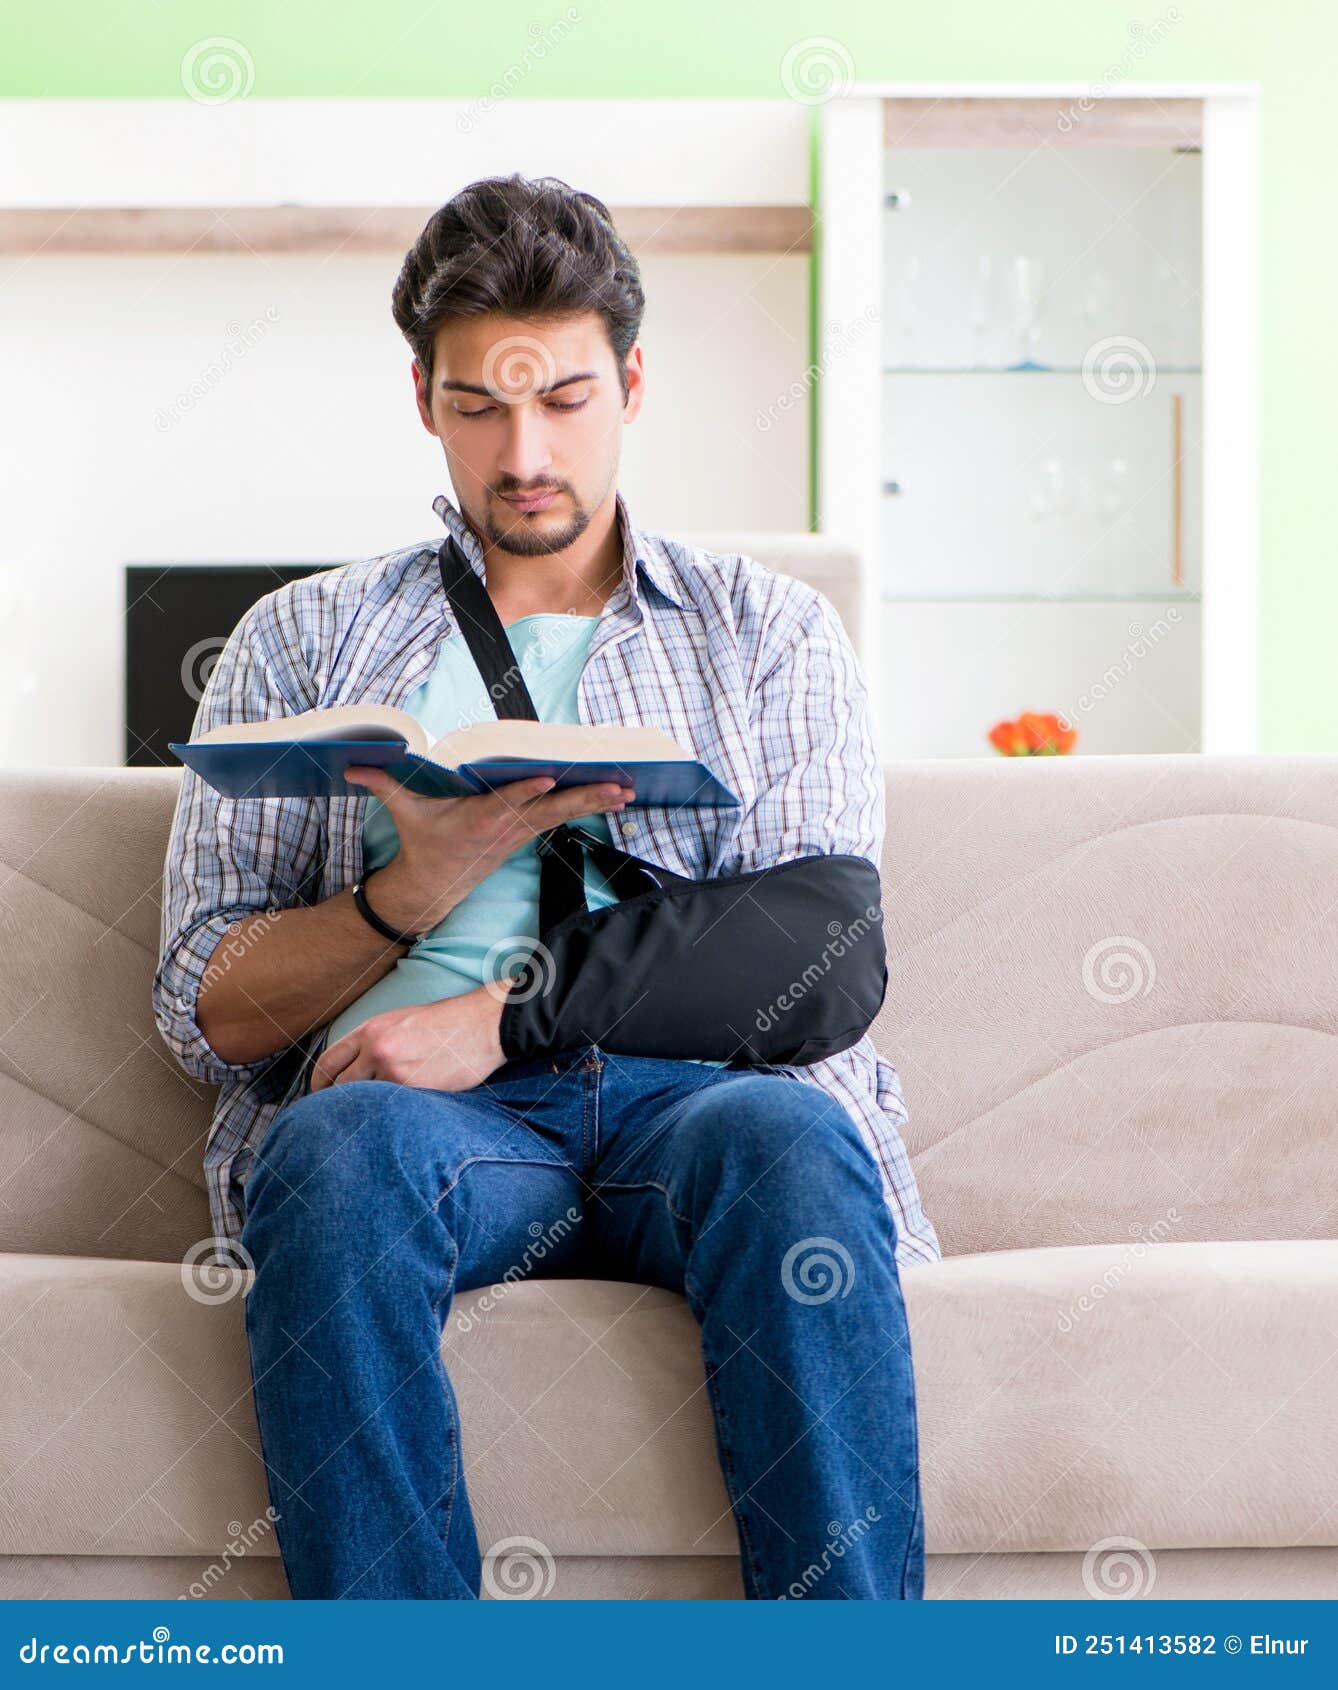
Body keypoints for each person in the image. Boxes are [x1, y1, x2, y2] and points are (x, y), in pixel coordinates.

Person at [153, 173, 941, 1601]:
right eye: (479, 406)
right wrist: (409, 895)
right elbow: (200, 1010)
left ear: (631, 382)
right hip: (420, 1127)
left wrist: (505, 1016)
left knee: (788, 1143)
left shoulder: (768, 632)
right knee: (325, 1160)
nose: (524, 452)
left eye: (565, 400)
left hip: (696, 1101)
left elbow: (824, 949)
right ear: (423, 400)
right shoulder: (299, 638)